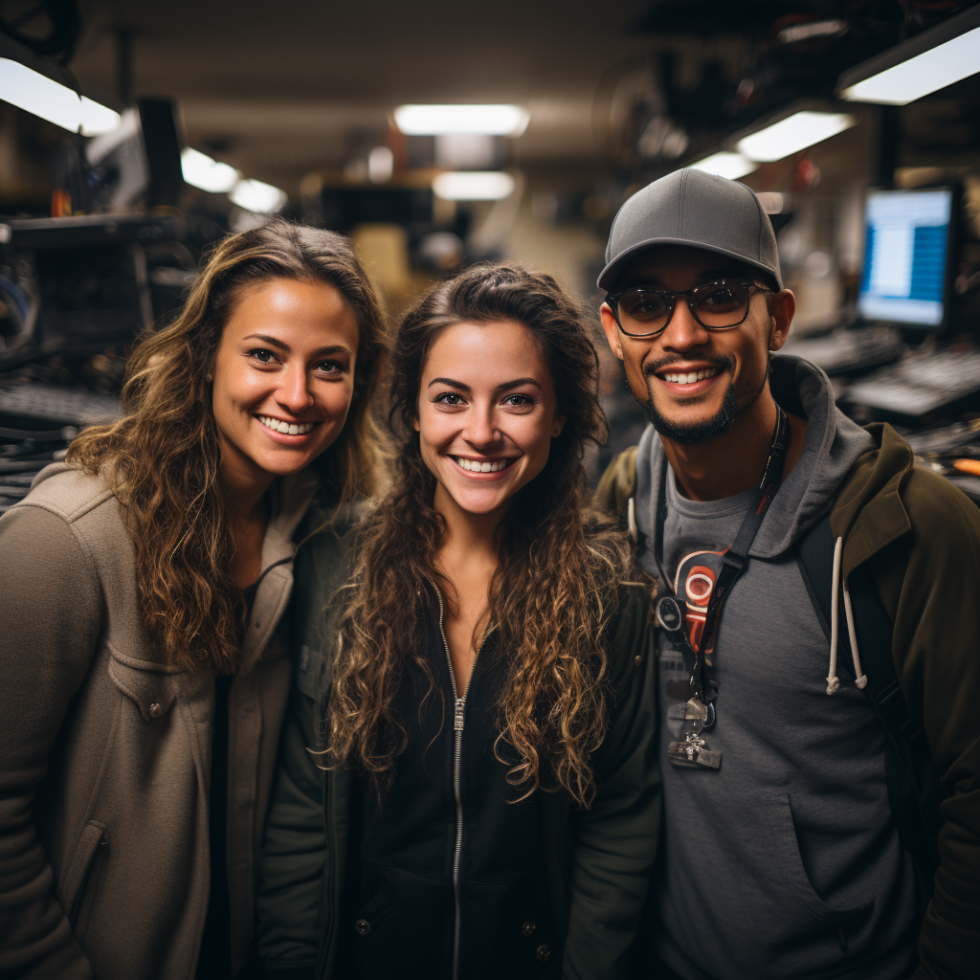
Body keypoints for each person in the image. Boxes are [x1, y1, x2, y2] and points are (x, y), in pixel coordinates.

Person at [594, 167, 980, 980]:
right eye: (646, 303)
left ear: (780, 320)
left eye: (722, 294)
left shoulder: (910, 527)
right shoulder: (623, 503)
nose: (683, 334)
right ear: (613, 331)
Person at [0, 219, 387, 980]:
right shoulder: (66, 539)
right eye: (265, 355)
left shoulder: (316, 535)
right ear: (206, 354)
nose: (298, 394)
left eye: (330, 366)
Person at [255, 263, 660, 980]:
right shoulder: (336, 566)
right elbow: (300, 815)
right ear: (413, 411)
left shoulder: (610, 587)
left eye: (517, 400)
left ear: (560, 413)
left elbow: (620, 821)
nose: (481, 432)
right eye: (450, 399)